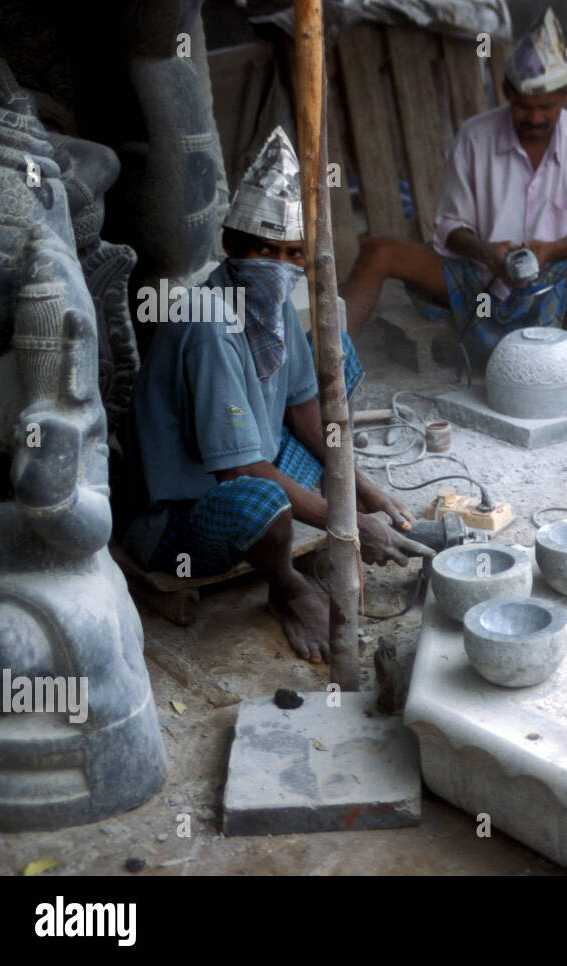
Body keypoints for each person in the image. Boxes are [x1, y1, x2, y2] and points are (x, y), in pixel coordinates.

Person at [117, 127, 430, 663]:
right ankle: (285, 585)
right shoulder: (208, 325)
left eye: (291, 254)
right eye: (262, 248)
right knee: (262, 500)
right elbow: (240, 473)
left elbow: (305, 410)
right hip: (180, 514)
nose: (276, 264)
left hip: (252, 457)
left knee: (340, 358)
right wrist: (347, 527)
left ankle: (313, 524)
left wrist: (365, 494)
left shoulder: (273, 298)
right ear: (232, 246)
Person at [341, 7, 567, 363]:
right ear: (506, 91)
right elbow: (451, 227)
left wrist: (551, 249)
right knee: (379, 251)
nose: (535, 118)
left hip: (556, 272)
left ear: (566, 94)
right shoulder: (476, 136)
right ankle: (328, 365)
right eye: (524, 107)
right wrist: (488, 252)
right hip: (479, 274)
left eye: (546, 107)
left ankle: (563, 329)